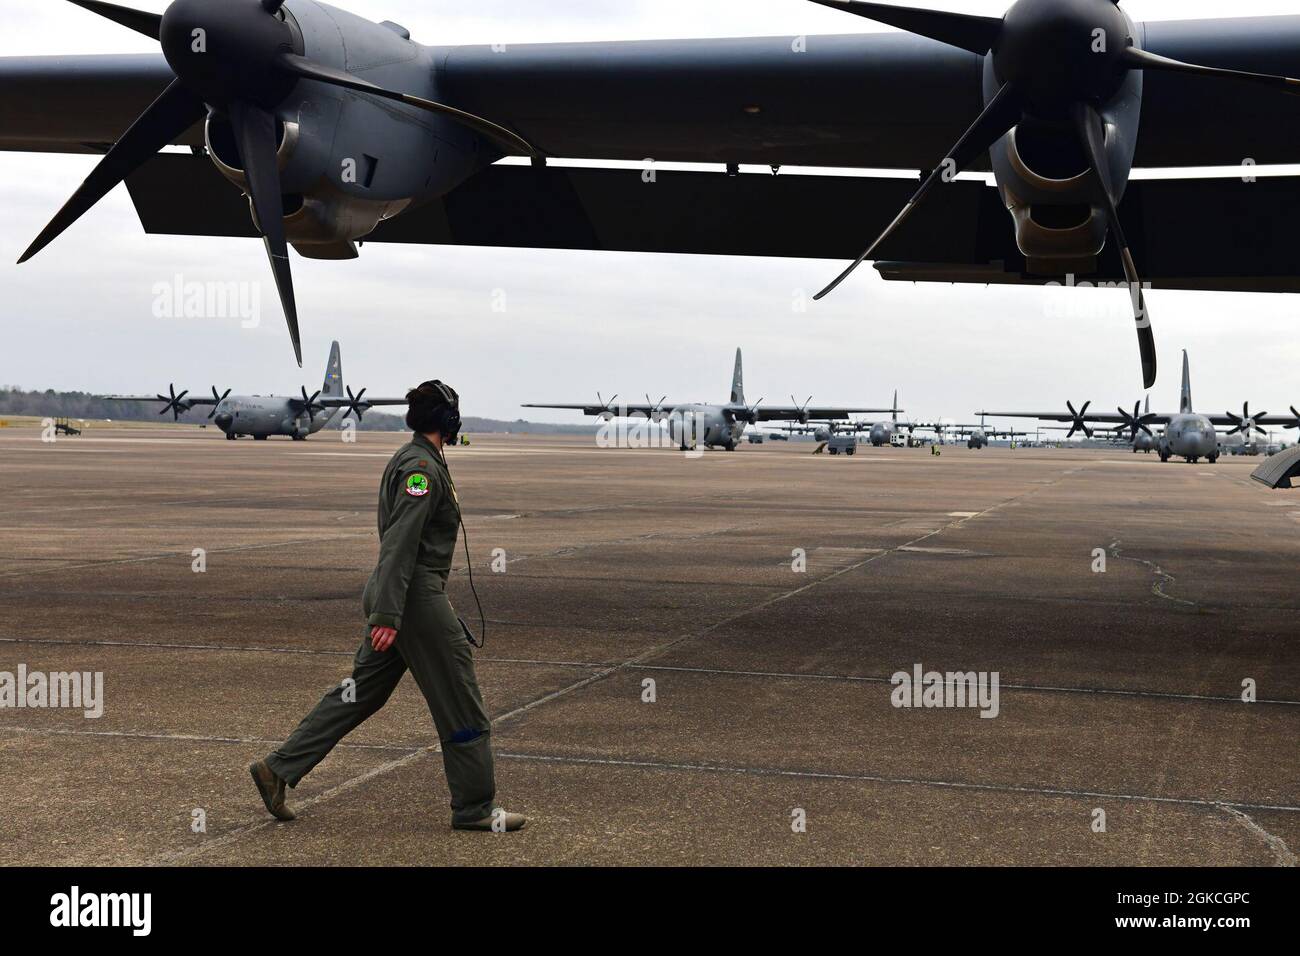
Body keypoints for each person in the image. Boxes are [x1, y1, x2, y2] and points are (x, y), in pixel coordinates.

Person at [250, 380, 525, 832]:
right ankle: (474, 807)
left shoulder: (413, 458)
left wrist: (387, 609)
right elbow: (401, 543)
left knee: (359, 694)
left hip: (400, 596)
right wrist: (388, 616)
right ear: (447, 420)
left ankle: (277, 769)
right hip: (413, 598)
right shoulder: (421, 468)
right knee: (461, 699)